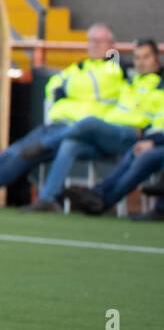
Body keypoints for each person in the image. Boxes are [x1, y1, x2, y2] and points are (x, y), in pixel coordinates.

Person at [0, 24, 124, 205]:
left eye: (98, 41)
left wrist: (67, 86)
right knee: (14, 152)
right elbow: (54, 84)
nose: (93, 45)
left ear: (111, 44)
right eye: (90, 41)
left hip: (78, 132)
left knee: (22, 155)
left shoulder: (114, 68)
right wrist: (68, 85)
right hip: (56, 126)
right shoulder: (82, 66)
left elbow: (85, 85)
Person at [23, 40, 163, 211]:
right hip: (111, 134)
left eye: (146, 57)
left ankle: (46, 144)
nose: (141, 62)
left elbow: (158, 121)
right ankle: (47, 199)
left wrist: (153, 140)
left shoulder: (159, 85)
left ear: (157, 58)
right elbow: (110, 68)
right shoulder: (129, 81)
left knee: (90, 123)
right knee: (70, 144)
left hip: (133, 134)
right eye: (137, 57)